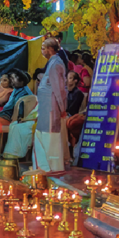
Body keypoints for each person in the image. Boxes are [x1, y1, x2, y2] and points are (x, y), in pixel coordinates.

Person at [32, 37, 68, 172]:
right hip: (45, 106)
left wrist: (62, 108)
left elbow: (59, 89)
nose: (42, 51)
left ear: (51, 49)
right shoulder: (52, 63)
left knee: (49, 135)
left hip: (51, 107)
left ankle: (51, 167)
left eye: (43, 48)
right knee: (43, 134)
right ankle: (44, 166)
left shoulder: (56, 64)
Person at [0, 69, 33, 141]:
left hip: (10, 119)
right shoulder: (16, 89)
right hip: (6, 116)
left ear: (21, 80)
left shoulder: (24, 93)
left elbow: (18, 114)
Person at [65, 71, 86, 148]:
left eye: (70, 78)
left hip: (72, 116)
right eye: (67, 78)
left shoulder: (78, 93)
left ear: (75, 80)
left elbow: (73, 109)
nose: (67, 80)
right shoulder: (65, 91)